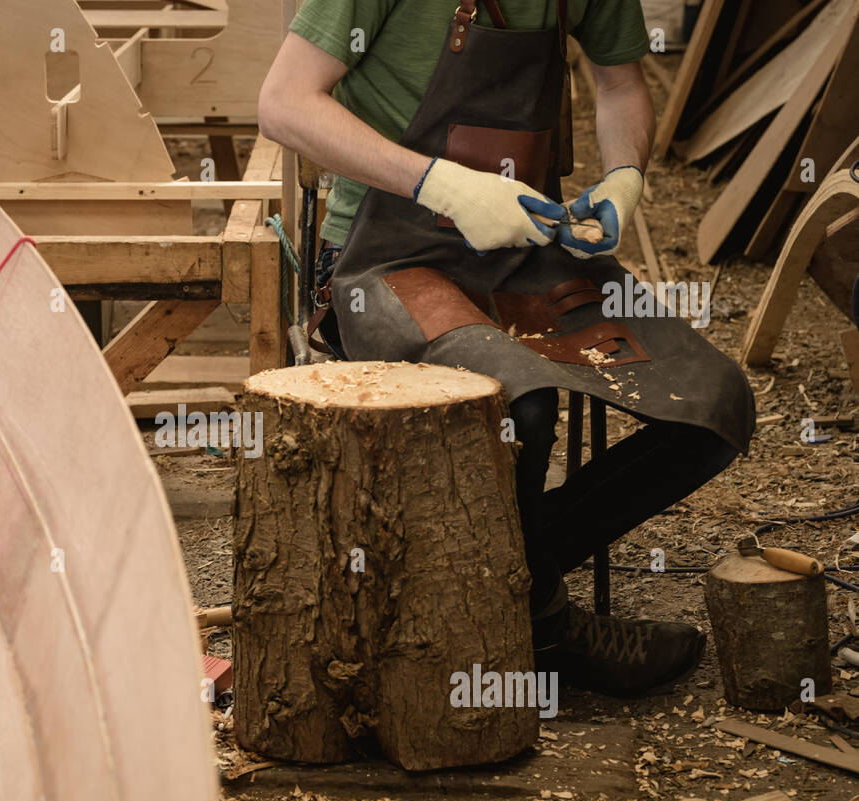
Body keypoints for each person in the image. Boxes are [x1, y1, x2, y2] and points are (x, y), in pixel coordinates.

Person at [257, 0, 755, 697]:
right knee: (519, 401)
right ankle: (546, 626)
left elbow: (620, 85)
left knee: (713, 409)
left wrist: (623, 177)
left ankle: (491, 580)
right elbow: (283, 104)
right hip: (384, 256)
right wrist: (441, 184)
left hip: (525, 246)